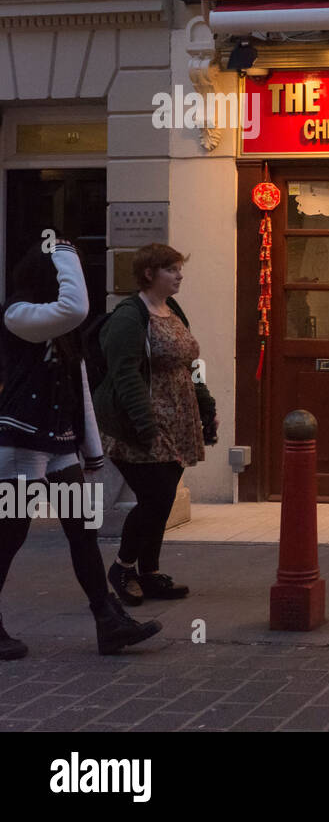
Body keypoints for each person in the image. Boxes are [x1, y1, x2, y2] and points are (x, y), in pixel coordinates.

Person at [0, 239, 161, 658]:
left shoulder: (61, 328)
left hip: (58, 445)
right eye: (61, 272)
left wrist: (90, 451)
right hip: (19, 443)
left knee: (82, 532)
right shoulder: (18, 313)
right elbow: (74, 306)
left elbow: (81, 389)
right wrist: (66, 250)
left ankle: (108, 622)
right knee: (10, 535)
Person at [94, 243, 215, 607]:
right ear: (149, 274)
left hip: (178, 417)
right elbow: (125, 374)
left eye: (179, 269)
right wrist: (144, 424)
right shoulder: (129, 316)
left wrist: (205, 402)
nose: (179, 275)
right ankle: (122, 567)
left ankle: (149, 572)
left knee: (160, 501)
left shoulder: (171, 309)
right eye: (172, 270)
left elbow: (186, 363)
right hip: (141, 419)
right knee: (155, 498)